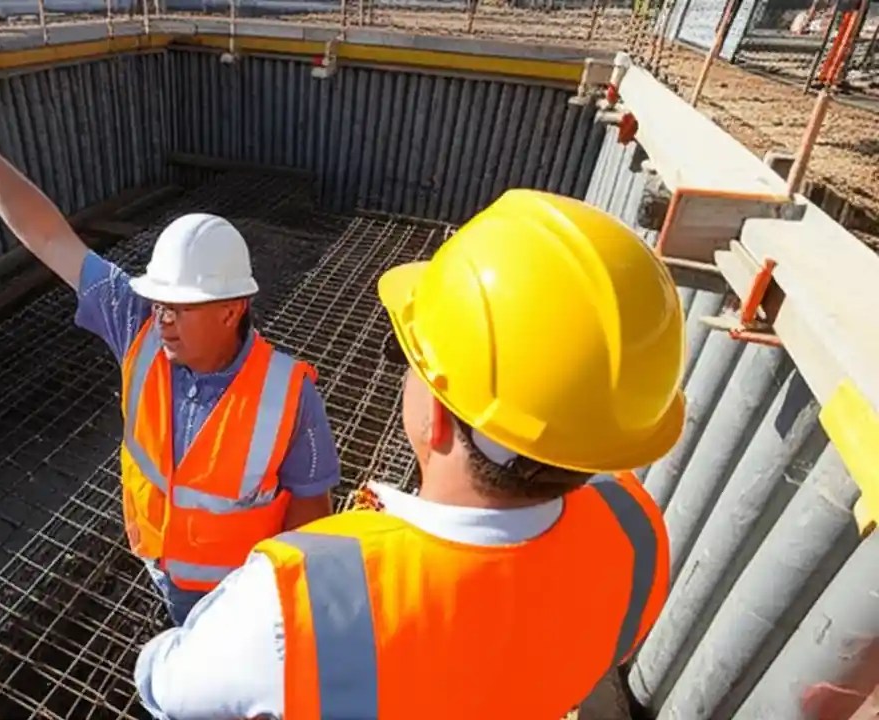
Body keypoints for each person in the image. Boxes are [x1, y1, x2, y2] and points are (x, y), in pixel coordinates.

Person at [134, 189, 683, 718]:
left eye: (409, 356)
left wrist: (168, 652)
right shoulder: (638, 532)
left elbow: (170, 685)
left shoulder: (295, 602)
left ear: (439, 414)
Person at [0, 56, 342, 626]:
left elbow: (311, 510)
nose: (163, 318)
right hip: (159, 566)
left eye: (181, 307)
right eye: (159, 301)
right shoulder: (137, 324)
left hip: (238, 604)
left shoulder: (288, 396)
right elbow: (48, 235)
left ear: (233, 308)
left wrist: (277, 614)